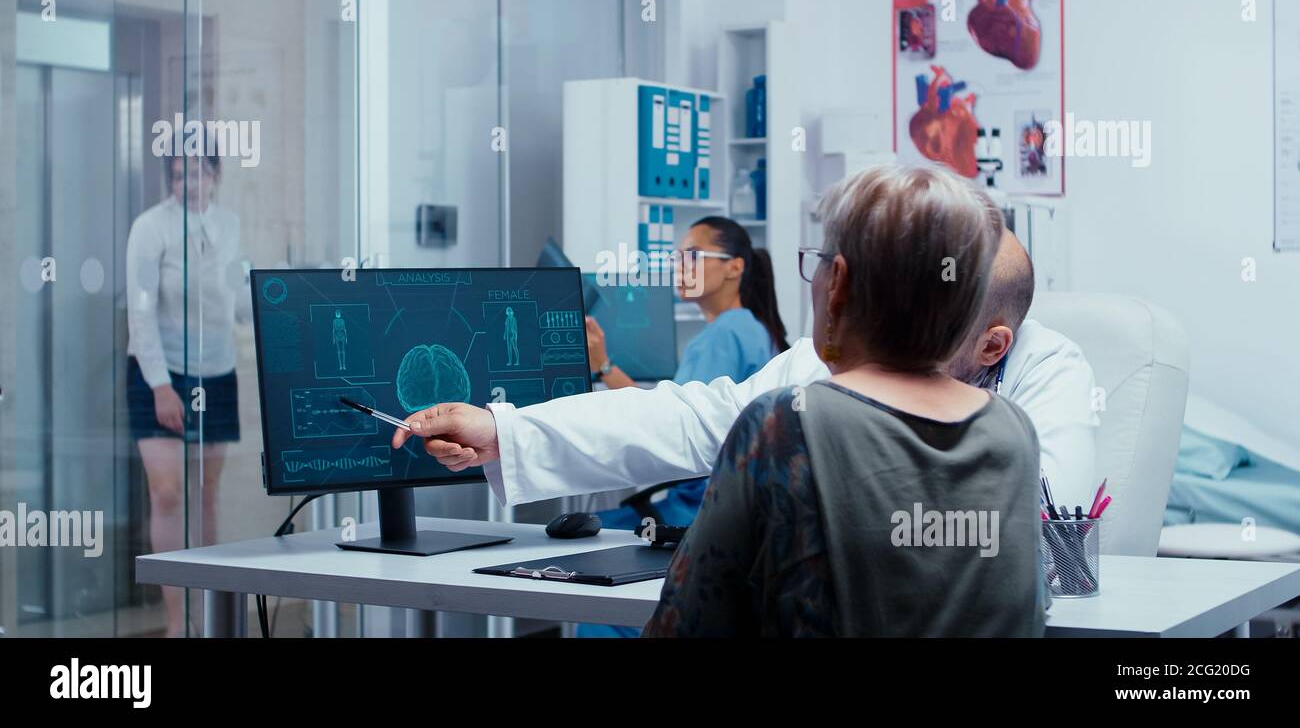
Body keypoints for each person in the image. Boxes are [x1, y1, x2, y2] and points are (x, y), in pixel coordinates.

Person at [390, 177, 1098, 511]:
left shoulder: (1046, 379)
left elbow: (1052, 525)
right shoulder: (821, 375)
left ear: (993, 345)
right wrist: (505, 430)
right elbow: (695, 417)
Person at [643, 164, 1042, 636]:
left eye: (818, 261)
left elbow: (683, 626)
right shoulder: (1014, 431)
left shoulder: (783, 426)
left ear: (838, 285)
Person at [584, 216, 788, 528]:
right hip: (726, 503)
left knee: (578, 530)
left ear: (734, 268)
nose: (679, 266)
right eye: (677, 258)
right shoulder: (750, 328)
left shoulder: (724, 335)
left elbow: (669, 423)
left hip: (699, 511)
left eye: (692, 256)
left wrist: (603, 365)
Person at [126, 152, 248, 637]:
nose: (187, 182)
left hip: (215, 371)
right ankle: (178, 622)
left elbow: (234, 298)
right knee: (168, 493)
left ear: (215, 176)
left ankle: (209, 618)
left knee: (207, 495)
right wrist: (159, 384)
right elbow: (140, 310)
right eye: (178, 174)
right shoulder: (149, 227)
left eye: (196, 172)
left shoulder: (229, 225)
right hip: (159, 372)